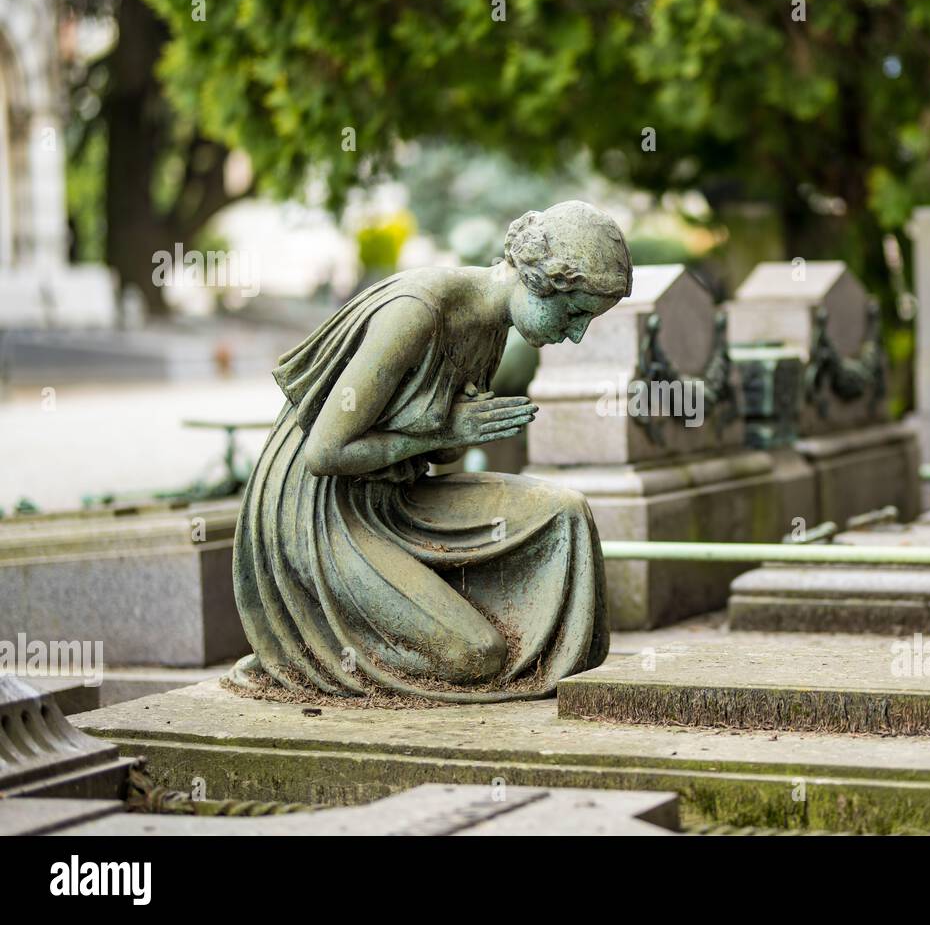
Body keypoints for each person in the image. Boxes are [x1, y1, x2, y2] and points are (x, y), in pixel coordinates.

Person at [229, 201, 631, 702]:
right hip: (320, 512)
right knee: (473, 655)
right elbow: (325, 451)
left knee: (566, 513)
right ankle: (309, 648)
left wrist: (457, 436)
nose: (576, 333)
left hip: (397, 495)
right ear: (540, 279)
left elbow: (436, 455)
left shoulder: (491, 328)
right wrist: (444, 432)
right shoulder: (416, 313)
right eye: (575, 313)